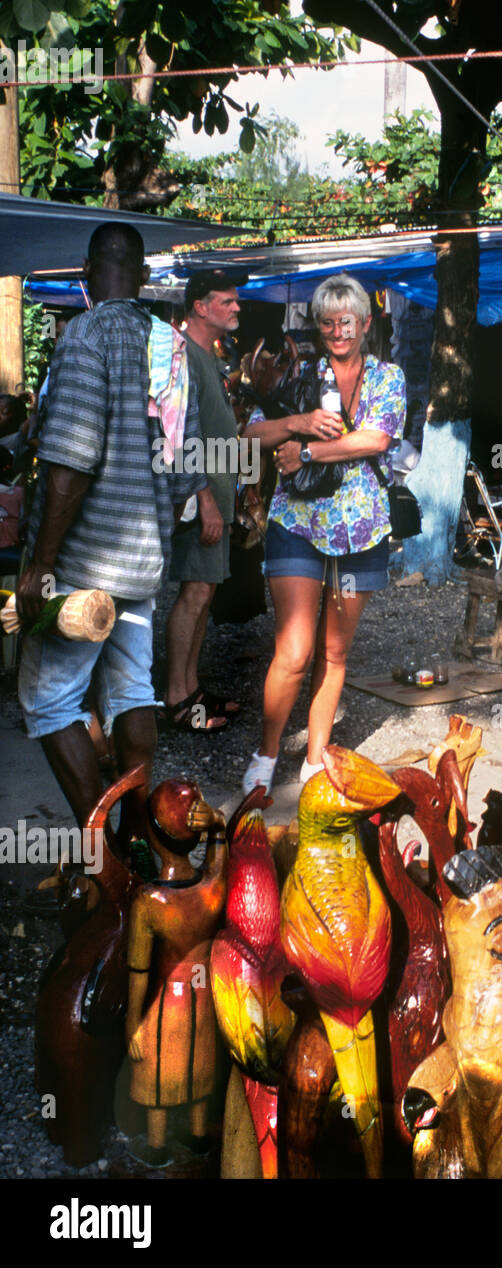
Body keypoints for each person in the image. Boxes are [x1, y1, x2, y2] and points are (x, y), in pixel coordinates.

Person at [16, 223, 205, 833]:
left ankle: (104, 852)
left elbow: (69, 465)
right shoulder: (171, 349)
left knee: (49, 704)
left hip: (80, 565)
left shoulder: (84, 338)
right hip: (142, 564)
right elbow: (184, 476)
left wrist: (42, 565)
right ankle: (141, 836)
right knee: (131, 695)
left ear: (88, 270)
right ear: (144, 275)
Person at [241, 274, 405, 794]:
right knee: (294, 650)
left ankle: (314, 760)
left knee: (335, 653)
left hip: (360, 532)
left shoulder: (388, 377)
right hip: (299, 524)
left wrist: (308, 452)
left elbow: (376, 438)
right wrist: (301, 423)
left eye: (346, 321)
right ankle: (266, 756)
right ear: (318, 326)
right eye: (328, 322)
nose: (337, 331)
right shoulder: (299, 374)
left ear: (365, 323)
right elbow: (250, 432)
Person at [161, 270, 246, 732]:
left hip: (216, 490)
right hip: (201, 496)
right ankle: (177, 698)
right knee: (193, 592)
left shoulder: (206, 357)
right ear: (199, 306)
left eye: (236, 301)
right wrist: (205, 498)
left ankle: (191, 690)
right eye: (226, 301)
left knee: (206, 590)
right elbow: (178, 434)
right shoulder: (184, 357)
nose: (236, 308)